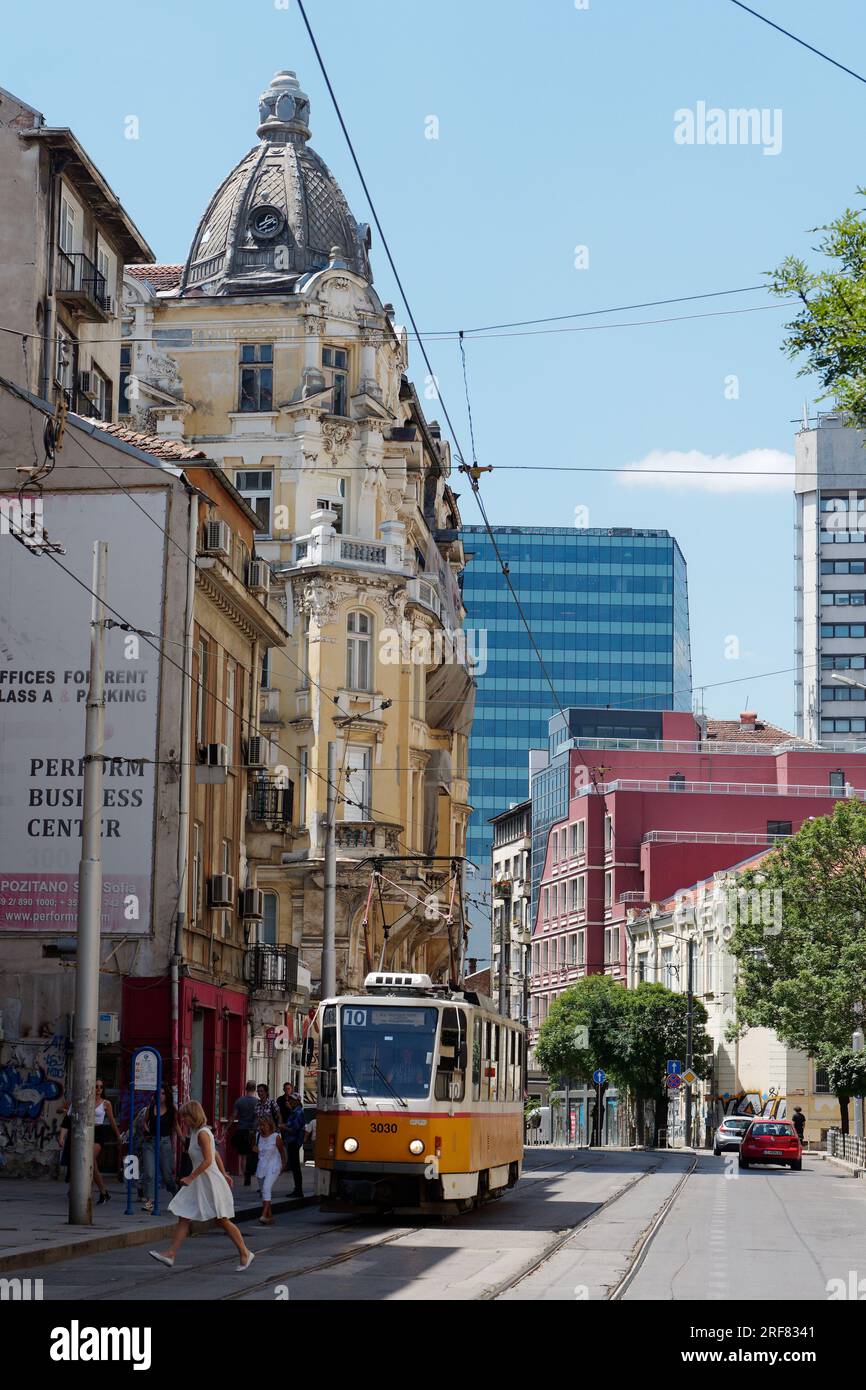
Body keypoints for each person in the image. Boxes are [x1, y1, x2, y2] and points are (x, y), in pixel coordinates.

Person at [148, 1100, 255, 1272]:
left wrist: (192, 1177)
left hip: (207, 1181)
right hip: (201, 1181)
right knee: (183, 1215)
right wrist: (225, 1172)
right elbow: (216, 1155)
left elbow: (208, 1160)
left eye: (185, 1116)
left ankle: (245, 1252)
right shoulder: (197, 1132)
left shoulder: (203, 1134)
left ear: (193, 1115)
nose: (183, 1120)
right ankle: (170, 1254)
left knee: (222, 1220)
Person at [140, 1086, 181, 1212]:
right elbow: (144, 1122)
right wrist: (146, 1129)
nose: (161, 1095)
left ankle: (177, 1194)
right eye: (159, 1093)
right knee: (149, 1172)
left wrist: (183, 1139)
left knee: (167, 1175)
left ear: (167, 1095)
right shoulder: (151, 1107)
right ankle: (149, 1201)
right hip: (150, 1142)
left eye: (163, 1093)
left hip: (164, 1142)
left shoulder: (171, 1109)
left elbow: (176, 1126)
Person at [93, 1079, 122, 1205]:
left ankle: (101, 1192)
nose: (99, 1089)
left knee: (90, 1160)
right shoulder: (86, 1100)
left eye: (101, 1087)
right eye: (96, 1086)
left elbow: (111, 1120)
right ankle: (103, 1192)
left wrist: (118, 1136)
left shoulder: (106, 1103)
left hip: (99, 1132)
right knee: (92, 1166)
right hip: (87, 1132)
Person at [252, 1116, 285, 1224]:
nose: (261, 1127)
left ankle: (263, 1215)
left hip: (274, 1165)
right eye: (260, 1125)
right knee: (264, 1192)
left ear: (270, 1126)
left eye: (264, 1125)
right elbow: (256, 1149)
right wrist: (254, 1149)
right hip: (261, 1166)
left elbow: (282, 1152)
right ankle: (269, 1216)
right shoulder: (257, 1136)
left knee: (266, 1188)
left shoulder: (276, 1137)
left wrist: (283, 1165)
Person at [228, 1081, 259, 1186]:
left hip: (241, 1129)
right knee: (252, 1153)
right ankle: (249, 1173)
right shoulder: (257, 1102)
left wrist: (227, 1127)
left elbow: (234, 1115)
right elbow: (258, 1118)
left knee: (242, 1155)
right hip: (252, 1131)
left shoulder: (239, 1101)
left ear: (246, 1088)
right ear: (255, 1089)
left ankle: (242, 1173)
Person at [283, 1092, 306, 1199]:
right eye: (289, 1100)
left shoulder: (297, 1113)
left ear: (297, 1101)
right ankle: (297, 1189)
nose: (290, 1102)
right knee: (294, 1166)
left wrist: (284, 1127)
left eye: (292, 1100)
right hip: (292, 1141)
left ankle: (298, 1190)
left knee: (295, 1167)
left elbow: (294, 1130)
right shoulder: (294, 1111)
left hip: (294, 1142)